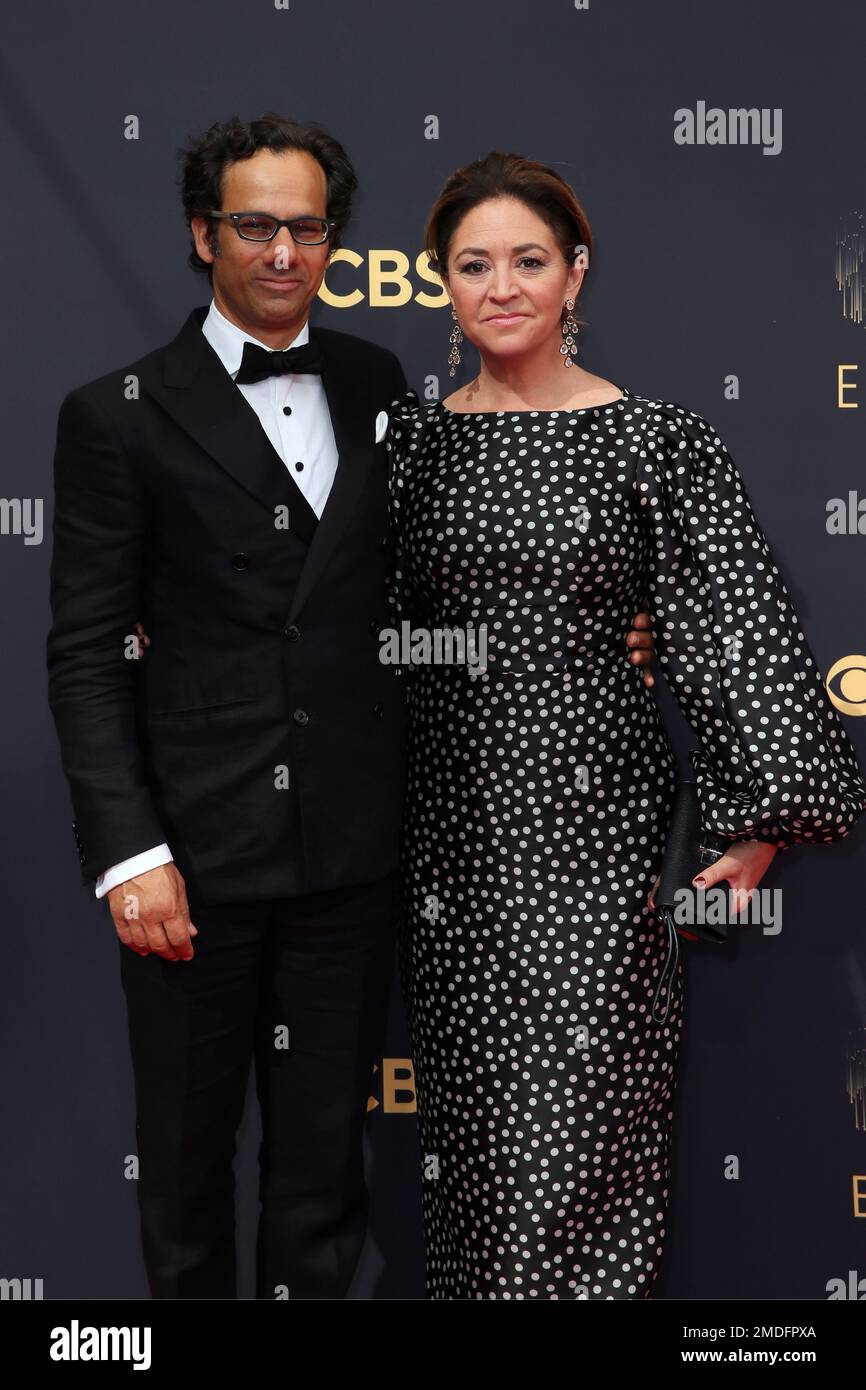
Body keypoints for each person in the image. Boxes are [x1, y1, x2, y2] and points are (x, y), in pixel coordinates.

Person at [45, 114, 656, 1300]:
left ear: (332, 239)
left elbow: (460, 569)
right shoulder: (115, 412)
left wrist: (620, 632)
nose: (282, 251)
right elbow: (83, 653)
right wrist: (129, 852)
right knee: (183, 1174)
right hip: (194, 864)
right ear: (202, 233)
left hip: (352, 857)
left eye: (307, 226)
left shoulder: (379, 382)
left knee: (323, 1180)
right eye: (254, 224)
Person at [383, 149, 866, 1300]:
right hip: (450, 857)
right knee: (478, 1180)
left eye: (529, 260)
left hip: (601, 859)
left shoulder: (655, 439)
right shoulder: (404, 448)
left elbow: (735, 626)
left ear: (575, 272)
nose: (501, 286)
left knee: (581, 1170)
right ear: (439, 283)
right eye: (472, 263)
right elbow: (355, 637)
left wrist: (751, 835)